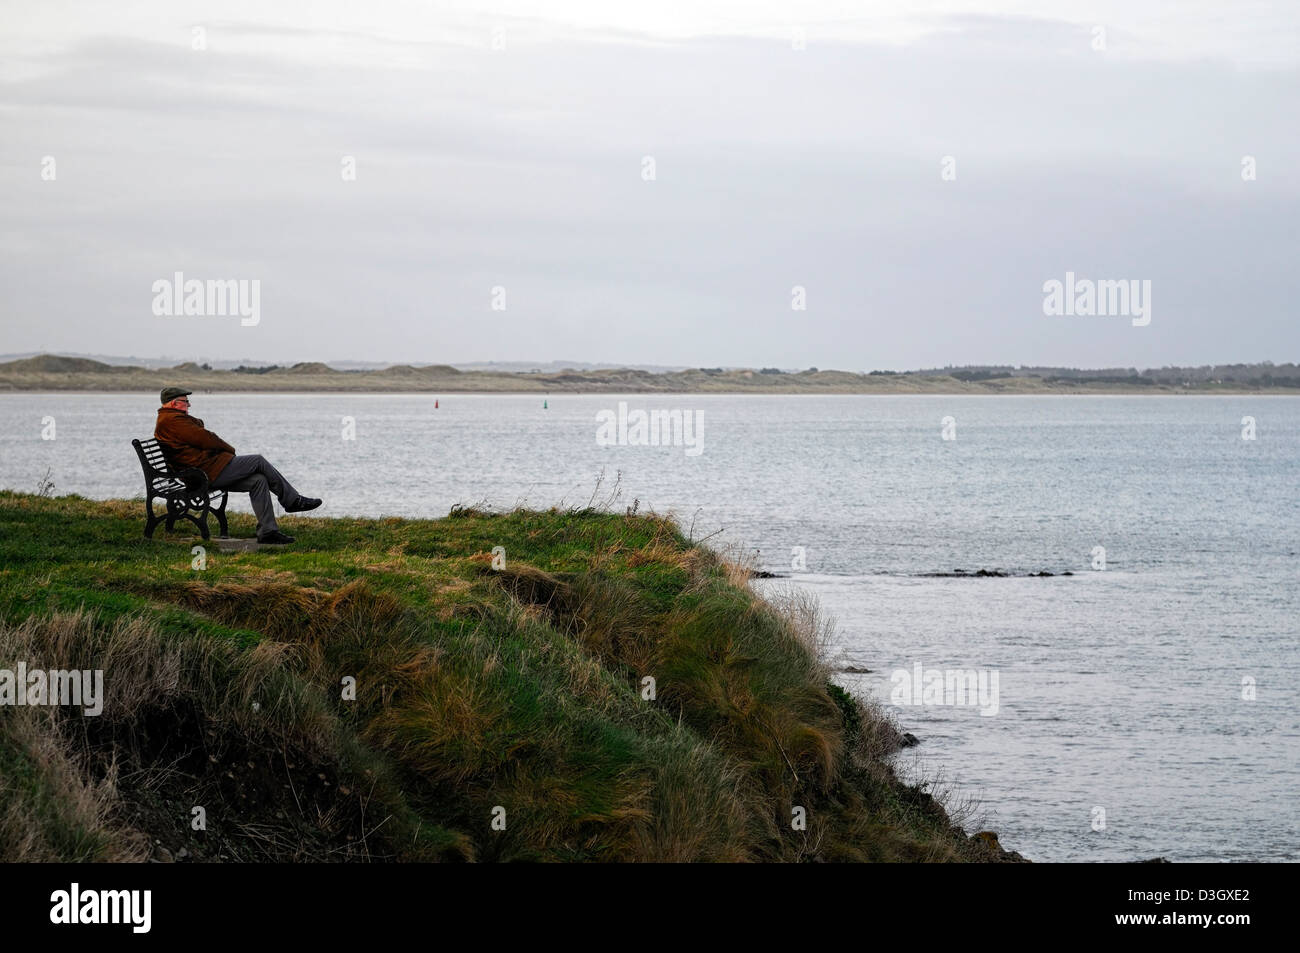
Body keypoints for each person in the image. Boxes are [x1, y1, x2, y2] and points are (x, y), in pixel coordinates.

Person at [153, 386, 321, 544]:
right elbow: (206, 438)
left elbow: (199, 430)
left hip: (204, 470)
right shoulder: (173, 421)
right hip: (205, 473)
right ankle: (292, 501)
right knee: (258, 460)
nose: (189, 404)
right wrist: (229, 449)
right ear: (174, 403)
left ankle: (268, 532)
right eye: (185, 401)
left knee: (258, 480)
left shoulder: (172, 419)